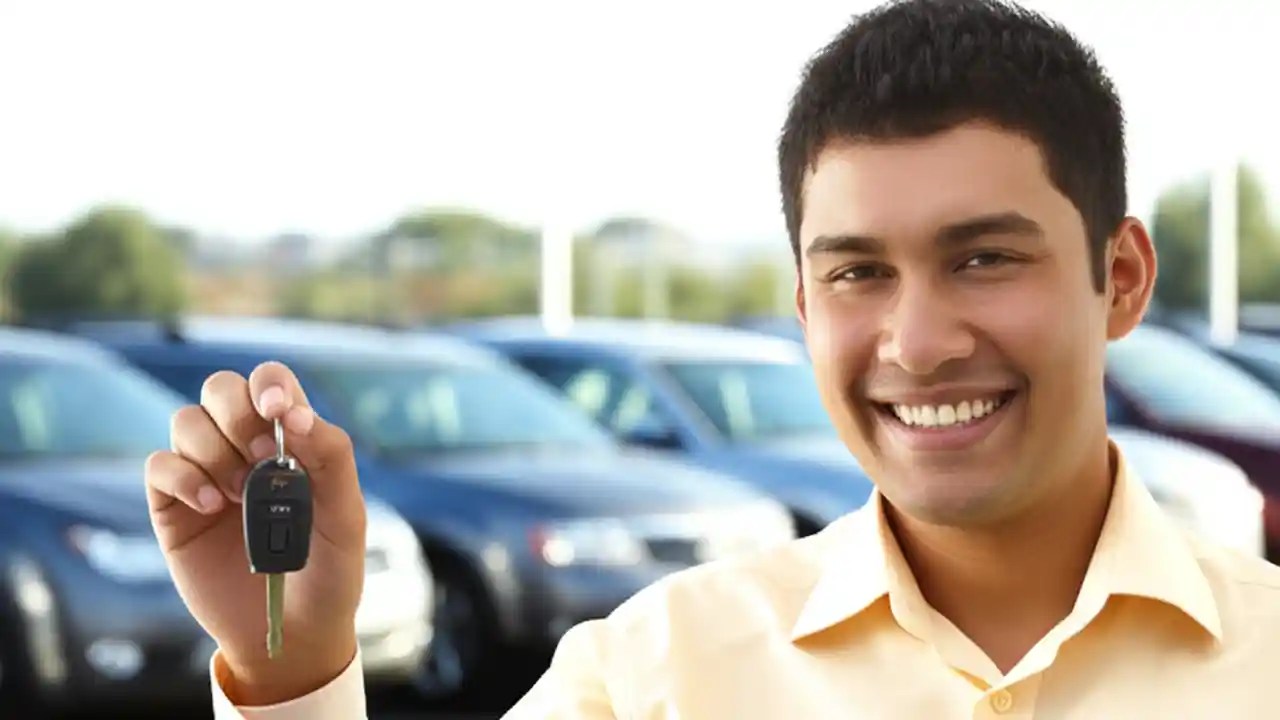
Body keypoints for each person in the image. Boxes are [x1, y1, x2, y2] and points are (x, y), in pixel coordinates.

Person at [148, 0, 1280, 717]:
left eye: (983, 258)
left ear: (1119, 278)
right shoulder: (655, 675)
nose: (919, 343)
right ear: (799, 301)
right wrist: (288, 669)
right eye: (855, 272)